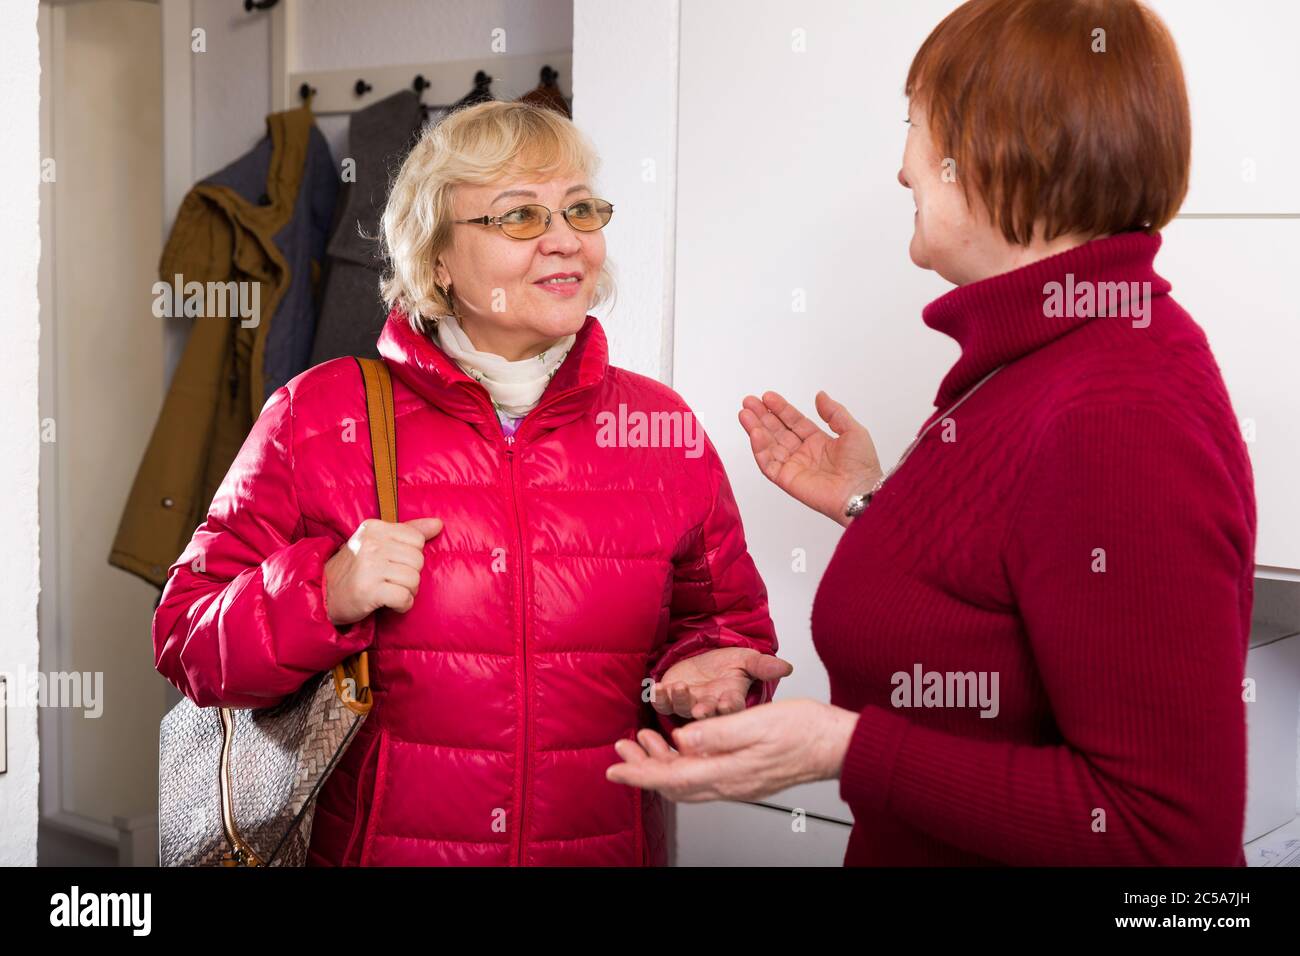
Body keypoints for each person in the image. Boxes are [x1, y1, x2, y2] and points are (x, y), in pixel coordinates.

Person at [608, 0, 1255, 866]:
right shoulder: (1041, 358)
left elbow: (1160, 838)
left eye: (916, 126)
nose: (903, 170)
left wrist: (843, 748)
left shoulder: (1119, 412)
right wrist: (874, 504)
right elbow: (1005, 595)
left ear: (1005, 145)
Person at [153, 100, 790, 866]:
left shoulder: (658, 429)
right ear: (437, 259)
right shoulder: (319, 415)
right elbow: (185, 637)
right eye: (519, 216)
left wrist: (707, 679)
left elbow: (728, 629)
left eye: (580, 209)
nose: (565, 240)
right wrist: (323, 593)